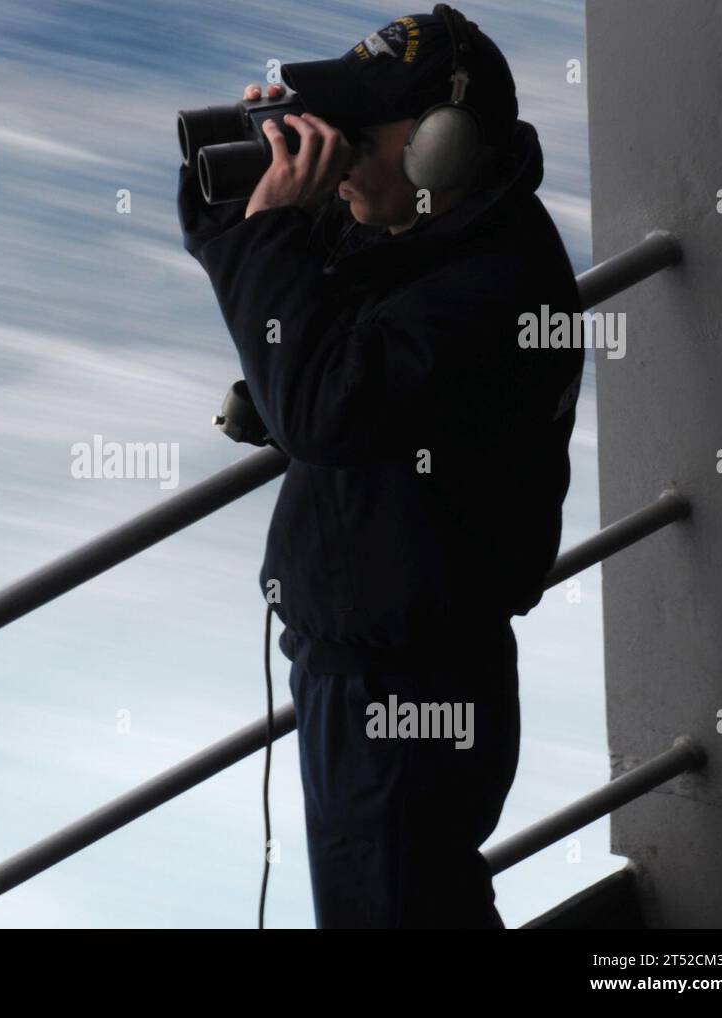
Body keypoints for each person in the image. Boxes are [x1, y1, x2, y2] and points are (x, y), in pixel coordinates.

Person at [178, 6, 584, 928]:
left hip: (406, 688)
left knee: (395, 907)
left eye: (356, 138)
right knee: (417, 900)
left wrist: (266, 240)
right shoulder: (446, 234)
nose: (339, 157)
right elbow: (330, 334)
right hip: (376, 669)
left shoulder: (493, 288)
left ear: (444, 145)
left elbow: (327, 403)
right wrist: (248, 210)